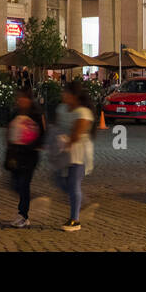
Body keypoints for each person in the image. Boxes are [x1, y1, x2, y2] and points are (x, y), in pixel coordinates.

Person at [53, 78, 94, 232]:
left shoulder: (83, 112)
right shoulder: (62, 109)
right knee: (58, 180)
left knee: (73, 183)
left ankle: (75, 219)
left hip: (79, 152)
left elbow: (77, 133)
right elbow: (57, 126)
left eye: (66, 93)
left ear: (74, 96)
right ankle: (81, 201)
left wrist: (66, 142)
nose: (63, 96)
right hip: (63, 149)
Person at [4, 86, 45, 228]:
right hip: (16, 152)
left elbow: (43, 134)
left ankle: (23, 215)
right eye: (18, 98)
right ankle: (30, 201)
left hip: (29, 154)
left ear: (28, 99)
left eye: (22, 97)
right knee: (14, 184)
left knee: (23, 183)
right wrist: (9, 147)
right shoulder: (15, 113)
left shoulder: (36, 114)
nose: (20, 100)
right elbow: (9, 130)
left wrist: (35, 145)